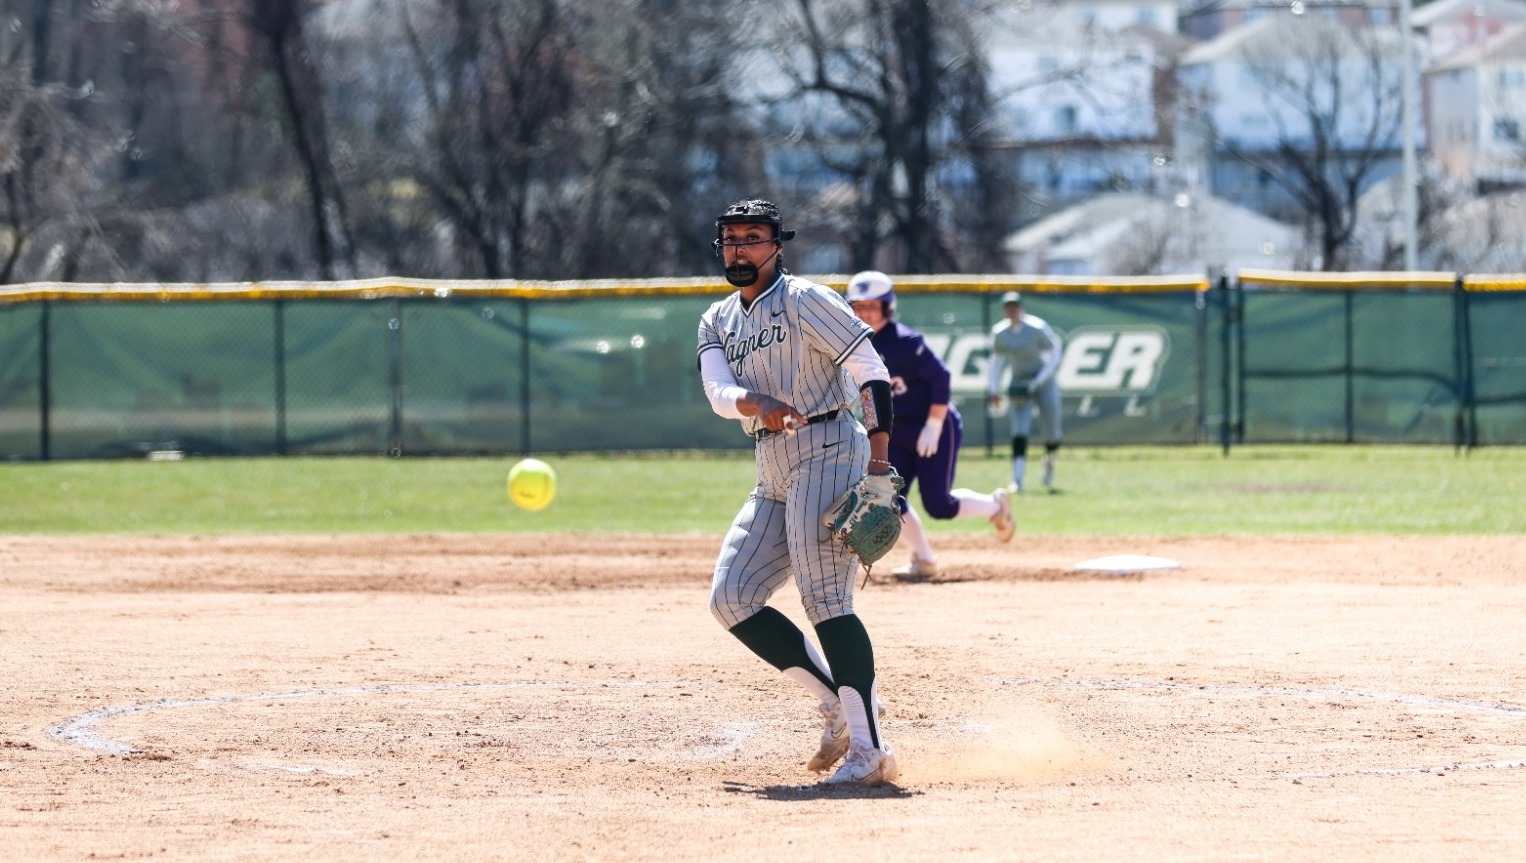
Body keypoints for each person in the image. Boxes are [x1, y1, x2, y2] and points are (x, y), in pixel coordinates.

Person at [695, 199, 900, 786]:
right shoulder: (717, 319)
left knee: (826, 598)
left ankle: (869, 751)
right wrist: (756, 404)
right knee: (732, 597)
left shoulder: (807, 299)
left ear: (777, 245)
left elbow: (870, 369)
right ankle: (837, 703)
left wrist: (880, 464)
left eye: (753, 238)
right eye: (731, 239)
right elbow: (717, 392)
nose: (740, 249)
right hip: (772, 462)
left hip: (832, 445)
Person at [845, 271, 1014, 580]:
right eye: (859, 306)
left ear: (888, 307)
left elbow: (942, 378)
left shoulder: (906, 342)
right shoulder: (852, 344)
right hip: (893, 430)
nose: (865, 312)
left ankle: (995, 506)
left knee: (939, 505)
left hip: (932, 426)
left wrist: (934, 424)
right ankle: (924, 559)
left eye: (873, 305)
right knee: (890, 498)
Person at [987, 291, 1063, 492]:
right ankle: (1018, 479)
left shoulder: (1036, 327)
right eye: (1008, 307)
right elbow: (996, 361)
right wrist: (993, 389)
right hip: (1019, 382)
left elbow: (1055, 352)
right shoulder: (1000, 333)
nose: (1012, 311)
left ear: (1021, 308)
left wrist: (1038, 381)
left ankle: (1049, 465)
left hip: (1042, 380)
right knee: (1019, 430)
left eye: (1015, 306)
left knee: (1052, 431)